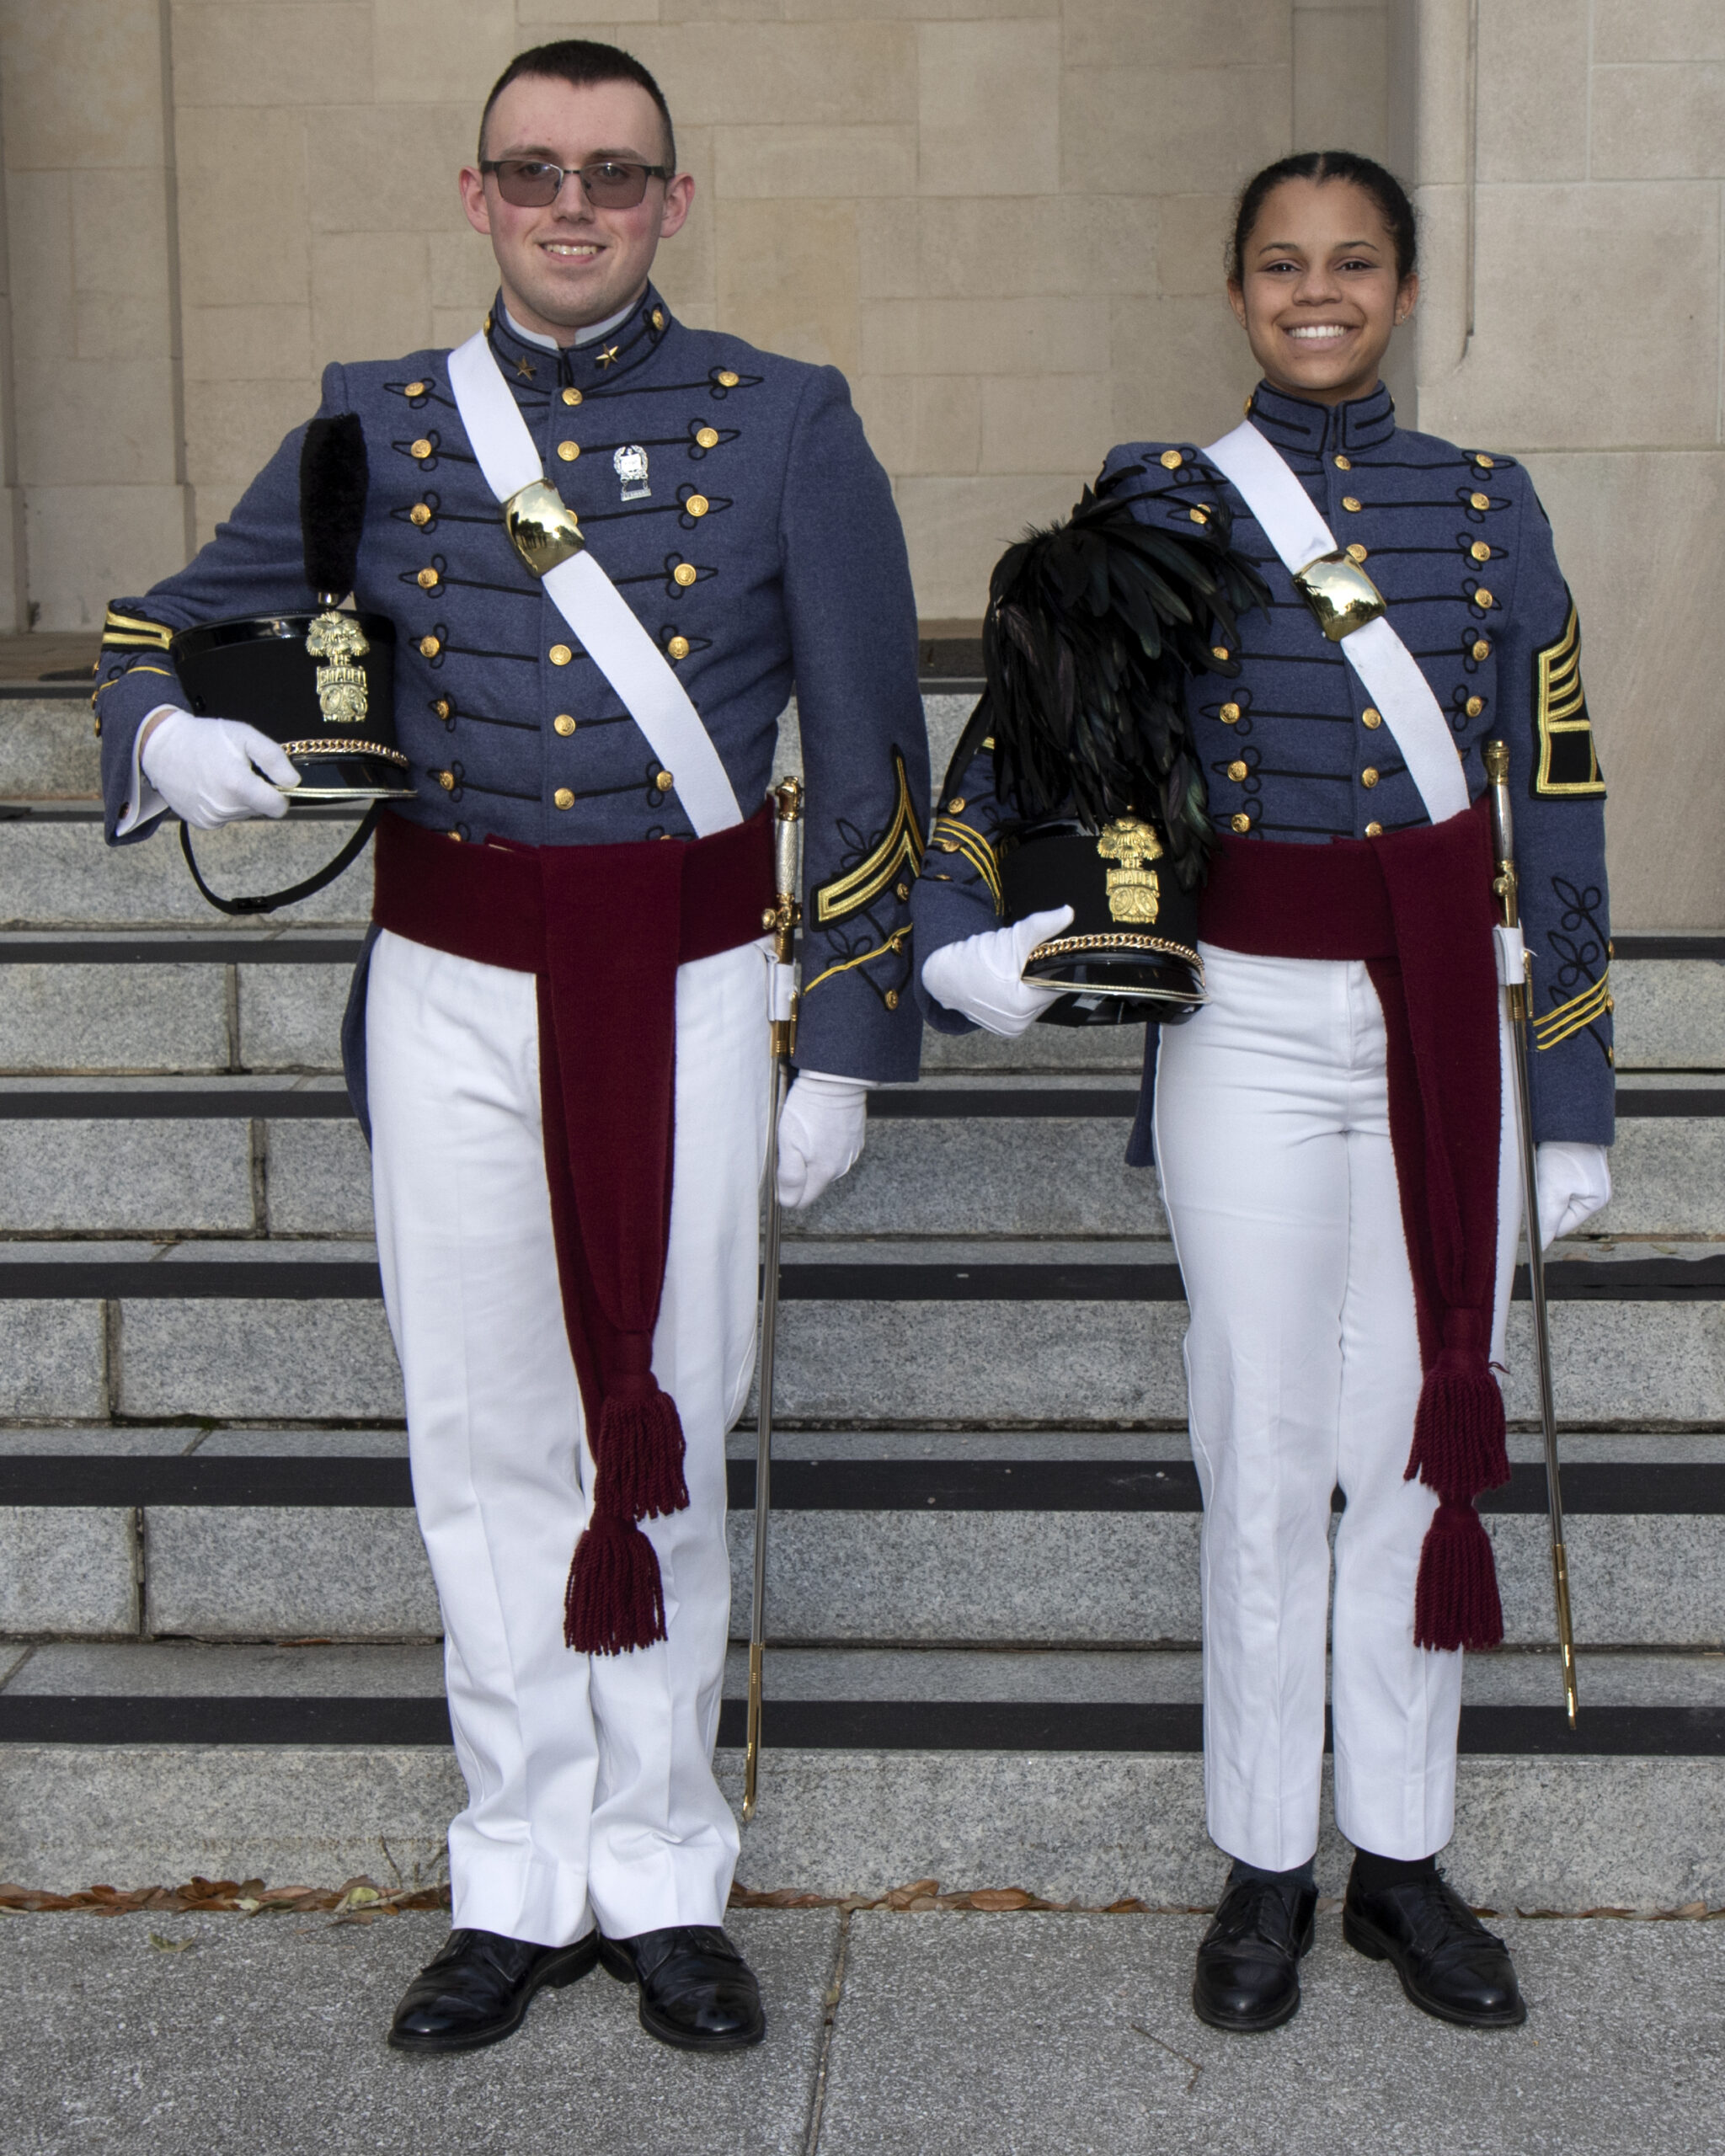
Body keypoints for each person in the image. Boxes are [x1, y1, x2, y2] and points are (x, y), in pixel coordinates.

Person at [93, 40, 927, 2056]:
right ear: (476, 194)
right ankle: (512, 1872)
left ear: (671, 200)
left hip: (691, 976)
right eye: (536, 172)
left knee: (660, 1423)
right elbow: (150, 633)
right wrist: (174, 740)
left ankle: (659, 1873)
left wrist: (846, 1031)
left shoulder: (788, 421)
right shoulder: (372, 420)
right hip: (456, 980)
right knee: (480, 1445)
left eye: (616, 176)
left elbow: (873, 735)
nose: (576, 206)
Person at [913, 151, 1612, 2034]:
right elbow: (1033, 722)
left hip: (1439, 1018)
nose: (1321, 292)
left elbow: (1553, 797)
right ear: (1236, 290)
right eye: (1284, 265)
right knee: (1259, 1438)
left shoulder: (1488, 504)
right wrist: (959, 915)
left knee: (1409, 1443)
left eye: (1356, 262)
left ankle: (1398, 1855)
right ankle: (1262, 1856)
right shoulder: (1164, 495)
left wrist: (1571, 1091)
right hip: (1239, 1008)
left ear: (1401, 284)